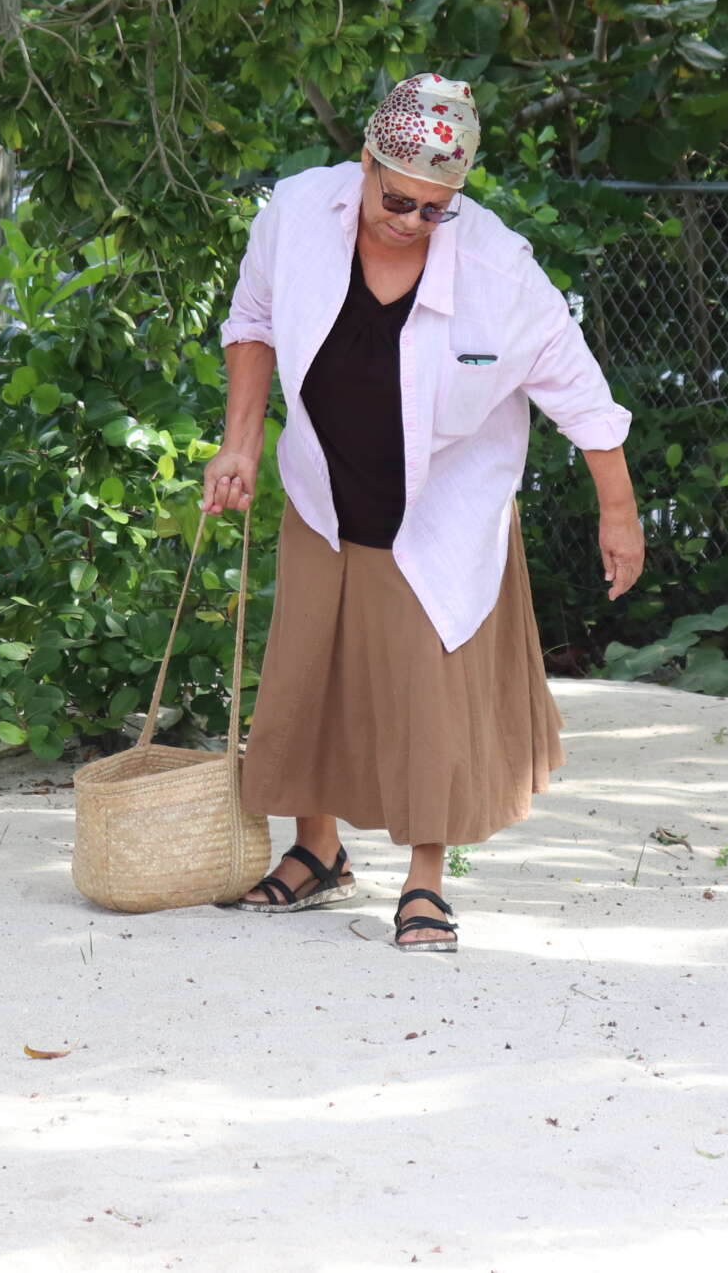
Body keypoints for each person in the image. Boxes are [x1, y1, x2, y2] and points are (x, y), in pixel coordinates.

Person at [201, 73, 645, 953]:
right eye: (396, 199)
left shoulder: (497, 267)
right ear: (364, 163)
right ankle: (317, 849)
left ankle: (425, 882)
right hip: (327, 486)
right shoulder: (295, 213)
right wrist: (240, 443)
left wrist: (619, 510)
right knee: (310, 670)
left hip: (440, 502)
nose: (409, 222)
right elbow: (252, 320)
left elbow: (580, 392)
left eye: (432, 210)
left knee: (425, 690)